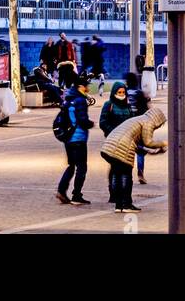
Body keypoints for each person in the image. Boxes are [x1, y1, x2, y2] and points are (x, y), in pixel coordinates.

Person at [101, 108, 167, 213]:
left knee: (116, 175)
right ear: (158, 119)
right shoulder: (148, 121)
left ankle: (118, 205)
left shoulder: (138, 119)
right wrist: (163, 143)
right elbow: (148, 142)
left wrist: (155, 152)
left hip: (108, 147)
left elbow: (140, 146)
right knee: (126, 176)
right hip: (121, 148)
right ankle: (126, 204)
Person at [55, 75, 94, 205]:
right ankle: (77, 195)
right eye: (86, 86)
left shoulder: (68, 99)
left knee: (71, 165)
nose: (88, 88)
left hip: (68, 138)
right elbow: (82, 120)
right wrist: (91, 124)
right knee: (82, 167)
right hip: (78, 138)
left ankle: (61, 190)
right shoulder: (80, 100)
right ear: (80, 87)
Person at [124, 71, 151, 184]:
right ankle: (140, 173)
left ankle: (126, 173)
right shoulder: (140, 93)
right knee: (140, 151)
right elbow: (146, 109)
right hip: (139, 125)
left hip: (127, 125)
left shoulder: (123, 93)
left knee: (126, 151)